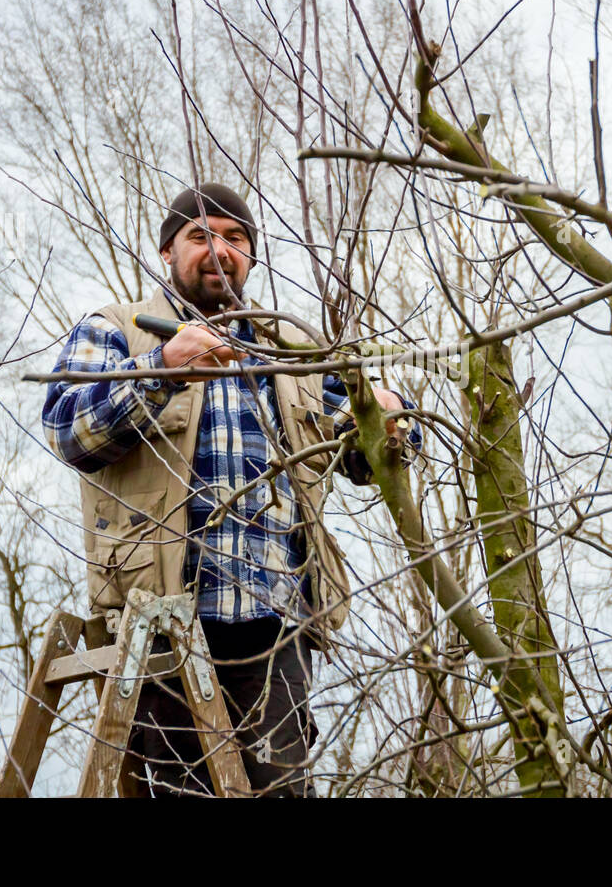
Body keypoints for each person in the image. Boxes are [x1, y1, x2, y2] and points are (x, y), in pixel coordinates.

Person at [42, 183, 420, 797]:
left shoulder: (289, 352)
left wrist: (387, 414)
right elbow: (68, 430)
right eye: (200, 236)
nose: (219, 250)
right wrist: (164, 365)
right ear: (167, 252)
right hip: (165, 629)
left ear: (252, 255)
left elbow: (365, 454)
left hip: (278, 631)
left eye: (235, 238)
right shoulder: (117, 330)